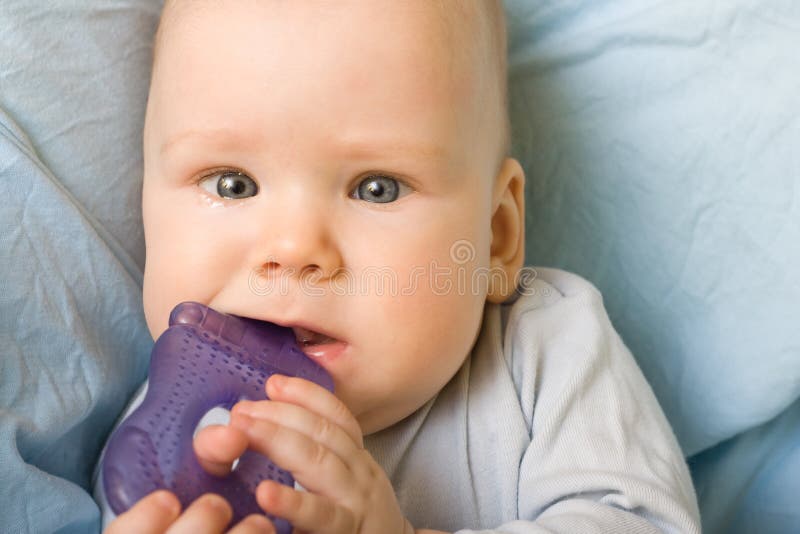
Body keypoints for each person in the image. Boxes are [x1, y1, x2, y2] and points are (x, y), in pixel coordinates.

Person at [98, 0, 701, 532]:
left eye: (377, 188)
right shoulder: (171, 431)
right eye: (232, 184)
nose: (295, 248)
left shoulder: (547, 349)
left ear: (494, 237)